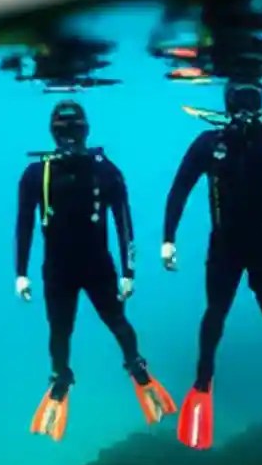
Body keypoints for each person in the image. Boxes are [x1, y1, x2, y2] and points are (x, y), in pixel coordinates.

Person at [162, 78, 262, 454]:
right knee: (220, 312)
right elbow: (180, 188)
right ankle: (203, 381)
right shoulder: (210, 143)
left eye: (251, 99)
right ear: (228, 104)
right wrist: (168, 238)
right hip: (229, 246)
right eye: (239, 100)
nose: (245, 108)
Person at [15, 100, 175, 442]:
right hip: (59, 270)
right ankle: (60, 378)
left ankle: (137, 367)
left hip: (96, 266)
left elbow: (124, 222)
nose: (70, 137)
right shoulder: (36, 174)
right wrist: (21, 272)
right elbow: (23, 225)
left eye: (75, 130)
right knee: (60, 330)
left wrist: (129, 271)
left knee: (116, 322)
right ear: (53, 134)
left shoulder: (105, 171)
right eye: (63, 131)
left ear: (86, 131)